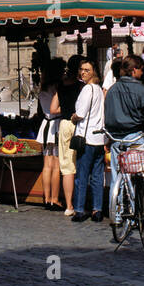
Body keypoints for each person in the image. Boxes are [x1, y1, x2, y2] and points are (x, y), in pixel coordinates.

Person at [104, 53, 144, 233]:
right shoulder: (142, 90)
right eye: (141, 70)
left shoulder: (112, 90)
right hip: (135, 136)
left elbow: (107, 116)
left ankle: (117, 213)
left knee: (116, 178)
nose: (142, 73)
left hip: (116, 139)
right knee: (142, 174)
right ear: (134, 70)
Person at [70, 60, 106, 223]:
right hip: (99, 138)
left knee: (82, 176)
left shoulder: (87, 89)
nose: (83, 72)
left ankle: (79, 209)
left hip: (87, 139)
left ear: (93, 73)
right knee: (98, 176)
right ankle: (97, 209)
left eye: (87, 70)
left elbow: (81, 113)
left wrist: (73, 116)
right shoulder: (99, 89)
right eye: (81, 69)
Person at [36, 60, 64, 210]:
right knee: (56, 165)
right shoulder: (58, 88)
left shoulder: (43, 88)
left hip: (45, 125)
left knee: (47, 165)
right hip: (56, 125)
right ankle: (55, 198)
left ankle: (46, 198)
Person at [58, 55, 82, 216]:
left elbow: (55, 108)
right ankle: (81, 203)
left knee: (67, 167)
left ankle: (69, 206)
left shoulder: (61, 85)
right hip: (78, 125)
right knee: (81, 164)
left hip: (64, 124)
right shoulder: (81, 87)